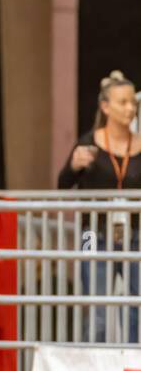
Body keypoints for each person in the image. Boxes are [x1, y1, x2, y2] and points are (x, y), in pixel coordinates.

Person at [57, 70, 141, 342]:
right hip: (92, 234)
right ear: (105, 107)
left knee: (135, 311)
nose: (130, 108)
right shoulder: (89, 143)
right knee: (97, 311)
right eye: (123, 102)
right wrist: (73, 165)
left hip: (135, 235)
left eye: (133, 102)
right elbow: (63, 183)